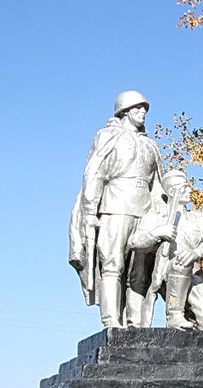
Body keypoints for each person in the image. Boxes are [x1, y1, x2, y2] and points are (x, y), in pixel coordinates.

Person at [68, 90, 167, 328]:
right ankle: (111, 320)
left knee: (140, 270)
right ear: (124, 111)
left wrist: (162, 210)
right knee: (113, 265)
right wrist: (90, 212)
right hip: (115, 206)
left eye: (144, 109)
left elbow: (158, 184)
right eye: (137, 108)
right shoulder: (107, 136)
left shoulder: (150, 144)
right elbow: (95, 174)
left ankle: (136, 322)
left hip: (145, 211)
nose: (143, 112)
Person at [129, 169, 203, 331]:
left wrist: (196, 253)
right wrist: (156, 233)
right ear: (172, 191)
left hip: (194, 275)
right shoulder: (157, 217)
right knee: (179, 262)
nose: (190, 190)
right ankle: (174, 314)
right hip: (166, 274)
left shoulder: (201, 218)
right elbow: (135, 241)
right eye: (185, 187)